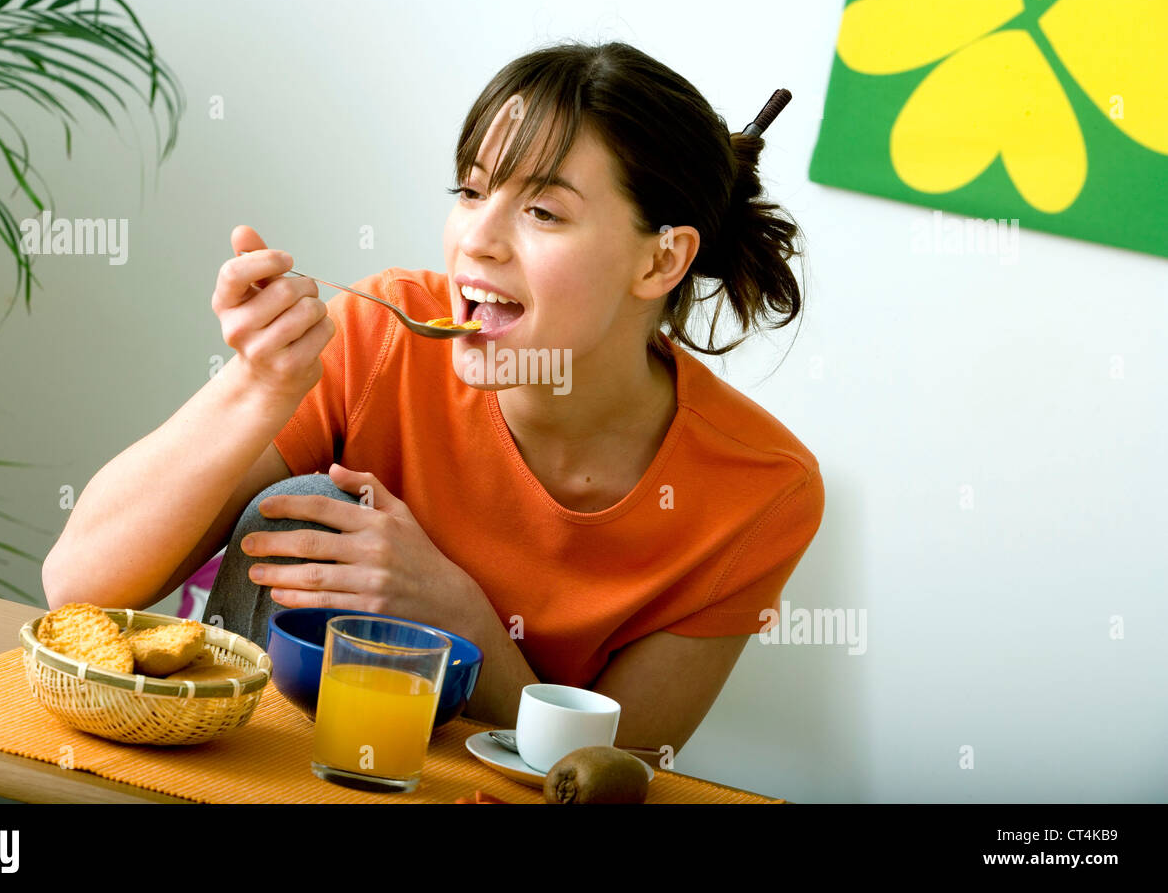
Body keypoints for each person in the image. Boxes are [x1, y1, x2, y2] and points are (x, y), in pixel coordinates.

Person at [43, 40, 824, 759]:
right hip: (273, 768)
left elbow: (609, 775)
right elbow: (79, 587)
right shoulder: (380, 338)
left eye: (544, 212)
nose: (476, 241)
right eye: (472, 190)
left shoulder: (756, 491)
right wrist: (259, 384)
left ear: (661, 261)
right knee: (306, 498)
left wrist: (459, 617)